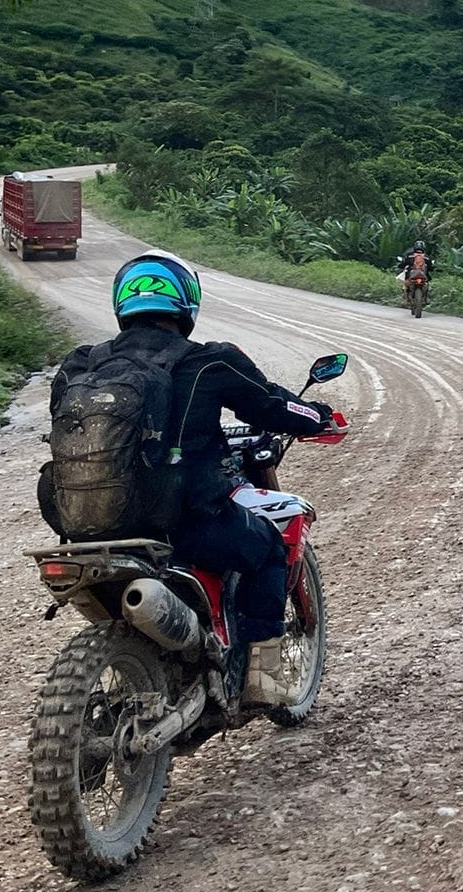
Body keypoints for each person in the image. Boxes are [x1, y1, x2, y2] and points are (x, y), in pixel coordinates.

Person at [55, 251, 332, 705]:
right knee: (267, 549)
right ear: (187, 303)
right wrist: (320, 417)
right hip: (183, 525)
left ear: (122, 304)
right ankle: (262, 680)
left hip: (90, 530)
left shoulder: (79, 365)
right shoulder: (209, 362)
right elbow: (273, 406)